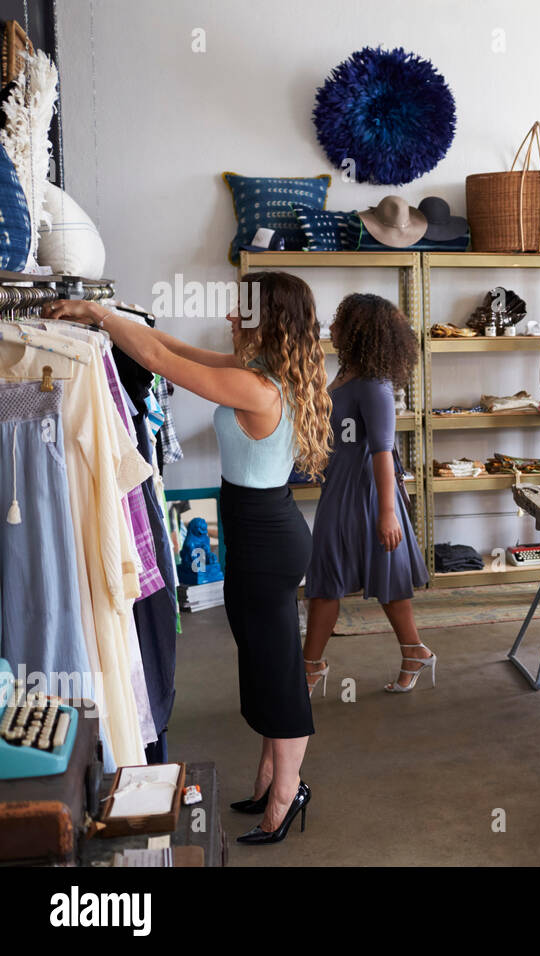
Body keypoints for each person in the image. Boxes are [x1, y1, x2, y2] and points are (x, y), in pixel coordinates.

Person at [45, 271, 333, 846]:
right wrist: (117, 323)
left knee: (278, 669)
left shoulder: (261, 389)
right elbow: (168, 348)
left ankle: (287, 792)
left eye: (239, 310)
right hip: (257, 535)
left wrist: (97, 315)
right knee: (261, 661)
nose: (229, 318)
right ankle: (271, 775)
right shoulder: (262, 375)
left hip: (267, 542)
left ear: (265, 318)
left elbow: (157, 357)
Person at [301, 293, 432, 693]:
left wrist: (388, 513)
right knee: (325, 577)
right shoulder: (344, 376)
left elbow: (382, 451)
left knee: (386, 578)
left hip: (370, 494)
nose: (332, 327)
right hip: (339, 489)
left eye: (340, 321)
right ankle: (315, 664)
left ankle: (311, 667)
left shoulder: (374, 385)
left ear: (358, 330)